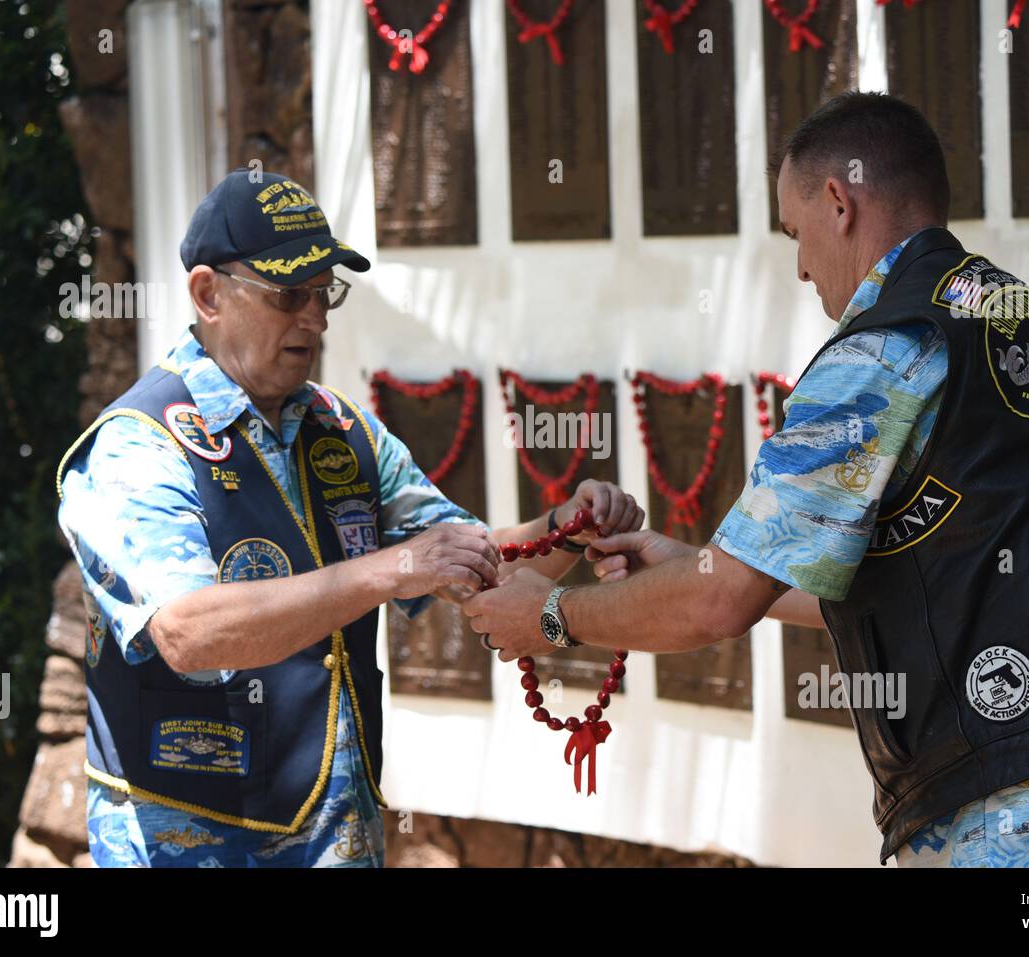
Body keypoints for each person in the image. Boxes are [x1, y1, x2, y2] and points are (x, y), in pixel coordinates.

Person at [464, 93, 1029, 868]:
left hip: (1027, 815)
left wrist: (551, 617)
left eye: (795, 233)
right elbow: (929, 573)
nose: (801, 267)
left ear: (838, 201)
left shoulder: (880, 354)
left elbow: (721, 604)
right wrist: (679, 557)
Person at [56, 169, 644, 867]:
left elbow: (465, 560)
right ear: (208, 294)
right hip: (191, 842)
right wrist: (390, 569)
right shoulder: (138, 442)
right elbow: (189, 630)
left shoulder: (343, 429)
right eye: (289, 293)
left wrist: (563, 527)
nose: (316, 316)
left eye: (325, 290)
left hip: (341, 836)